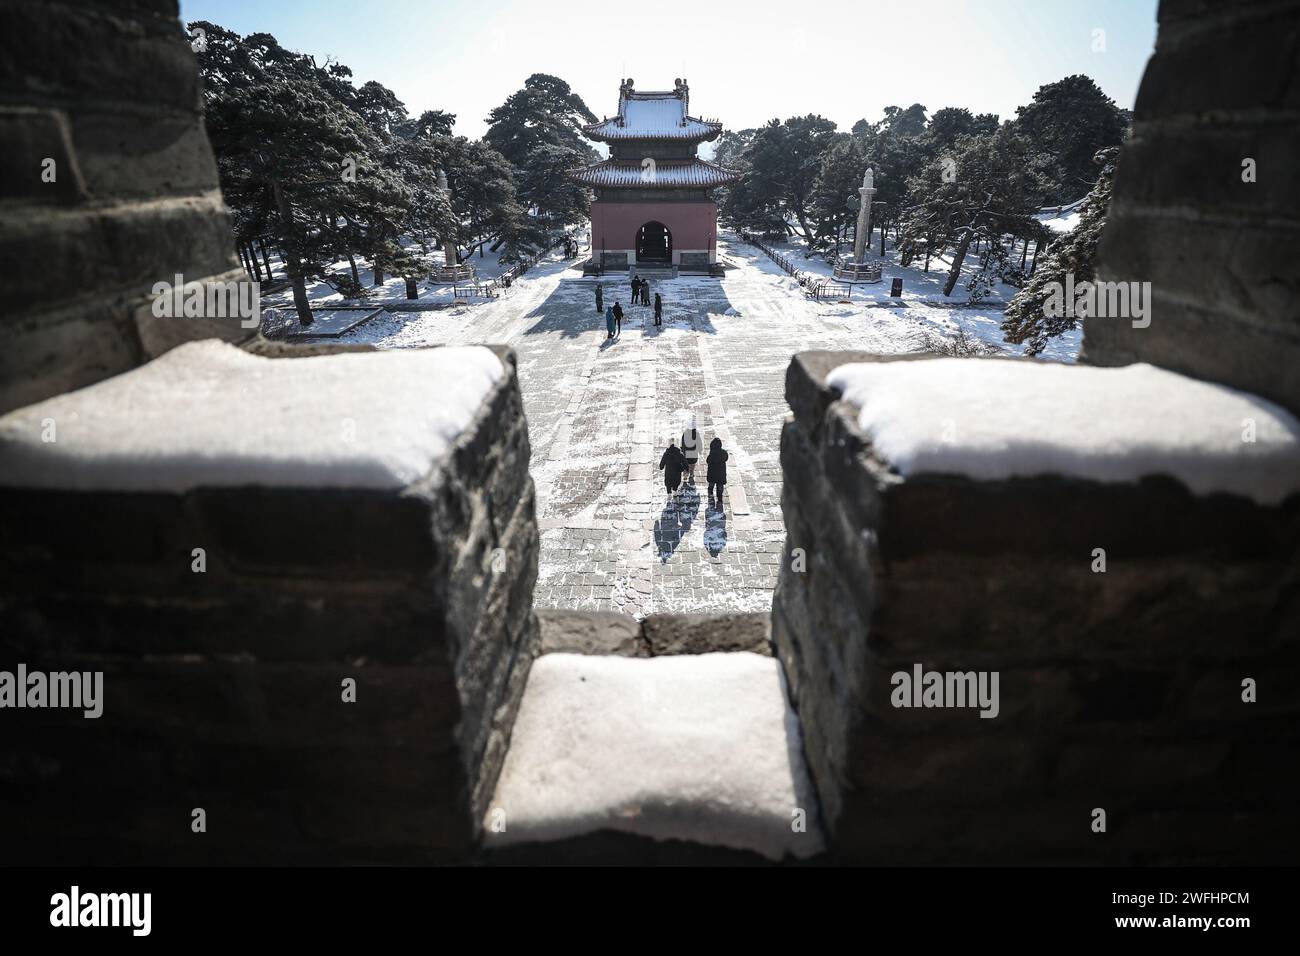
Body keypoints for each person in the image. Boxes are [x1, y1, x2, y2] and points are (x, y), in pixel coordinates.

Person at [681, 417, 701, 483]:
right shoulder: (696, 434)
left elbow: (682, 444)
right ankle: (691, 475)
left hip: (686, 454)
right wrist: (700, 450)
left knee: (685, 465)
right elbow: (699, 443)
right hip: (693, 453)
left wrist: (682, 451)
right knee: (692, 465)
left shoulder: (685, 433)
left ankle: (685, 476)